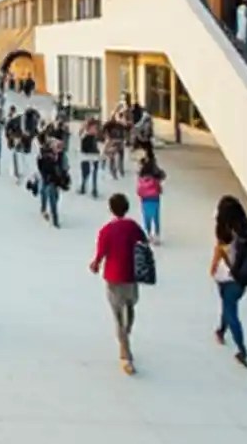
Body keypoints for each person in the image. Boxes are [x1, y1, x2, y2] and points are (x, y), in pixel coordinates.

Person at [90, 193, 148, 375]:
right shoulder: (133, 227)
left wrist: (95, 264)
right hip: (131, 275)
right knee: (130, 306)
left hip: (114, 276)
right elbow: (143, 243)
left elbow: (101, 253)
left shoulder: (106, 230)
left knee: (117, 313)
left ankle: (125, 351)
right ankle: (126, 333)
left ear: (110, 209)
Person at [211, 195, 247, 367]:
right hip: (242, 277)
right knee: (228, 304)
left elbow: (219, 252)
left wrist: (213, 266)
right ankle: (221, 330)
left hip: (226, 276)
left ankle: (242, 349)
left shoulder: (224, 231)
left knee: (230, 310)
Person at [37, 139, 68, 228]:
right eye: (57, 147)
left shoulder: (62, 156)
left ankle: (48, 211)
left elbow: (64, 169)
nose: (59, 149)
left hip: (56, 181)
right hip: (48, 179)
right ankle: (54, 219)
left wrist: (64, 179)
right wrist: (46, 176)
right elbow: (41, 167)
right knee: (49, 197)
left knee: (56, 197)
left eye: (60, 147)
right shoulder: (46, 156)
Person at [137, 155, 166, 244]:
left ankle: (148, 234)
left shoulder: (141, 177)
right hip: (155, 198)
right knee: (156, 216)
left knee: (146, 216)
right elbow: (161, 181)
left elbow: (139, 190)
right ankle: (157, 235)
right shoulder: (155, 177)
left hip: (145, 199)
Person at [77, 118, 101, 198]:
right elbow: (80, 134)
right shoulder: (85, 135)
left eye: (95, 128)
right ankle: (83, 186)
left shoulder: (95, 136)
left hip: (94, 156)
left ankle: (94, 189)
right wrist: (84, 125)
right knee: (85, 173)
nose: (95, 130)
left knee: (94, 173)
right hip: (85, 156)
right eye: (93, 128)